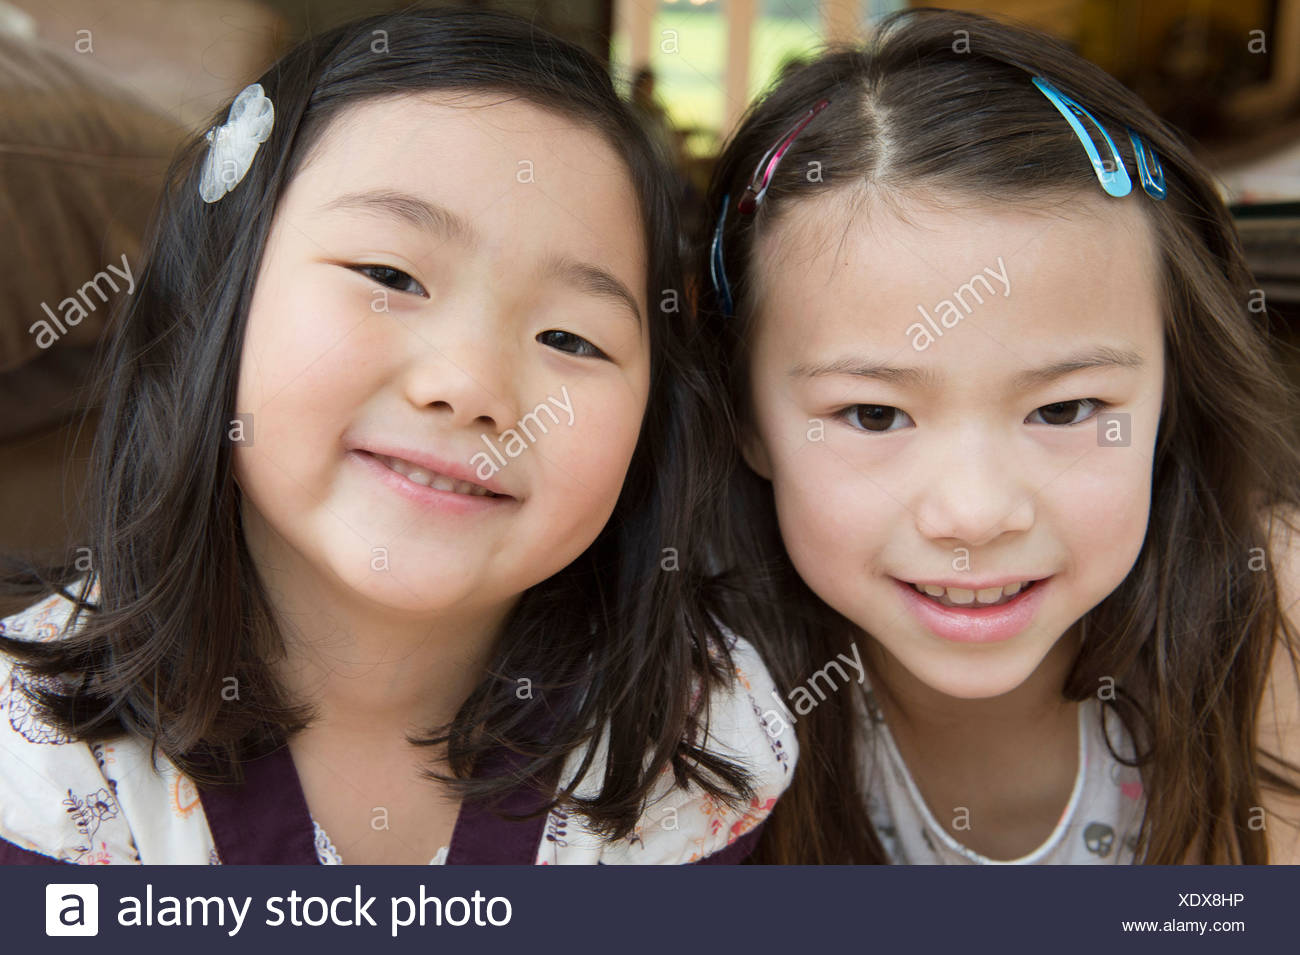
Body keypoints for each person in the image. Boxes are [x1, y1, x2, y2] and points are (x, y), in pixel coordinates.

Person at [0, 8, 794, 866]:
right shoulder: (42, 764)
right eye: (390, 276)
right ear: (217, 300)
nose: (470, 388)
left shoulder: (687, 730)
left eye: (571, 338)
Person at [699, 9, 1300, 864]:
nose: (975, 514)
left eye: (1065, 410)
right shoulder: (692, 698)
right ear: (746, 418)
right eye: (873, 414)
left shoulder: (1274, 622)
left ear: (1174, 392)